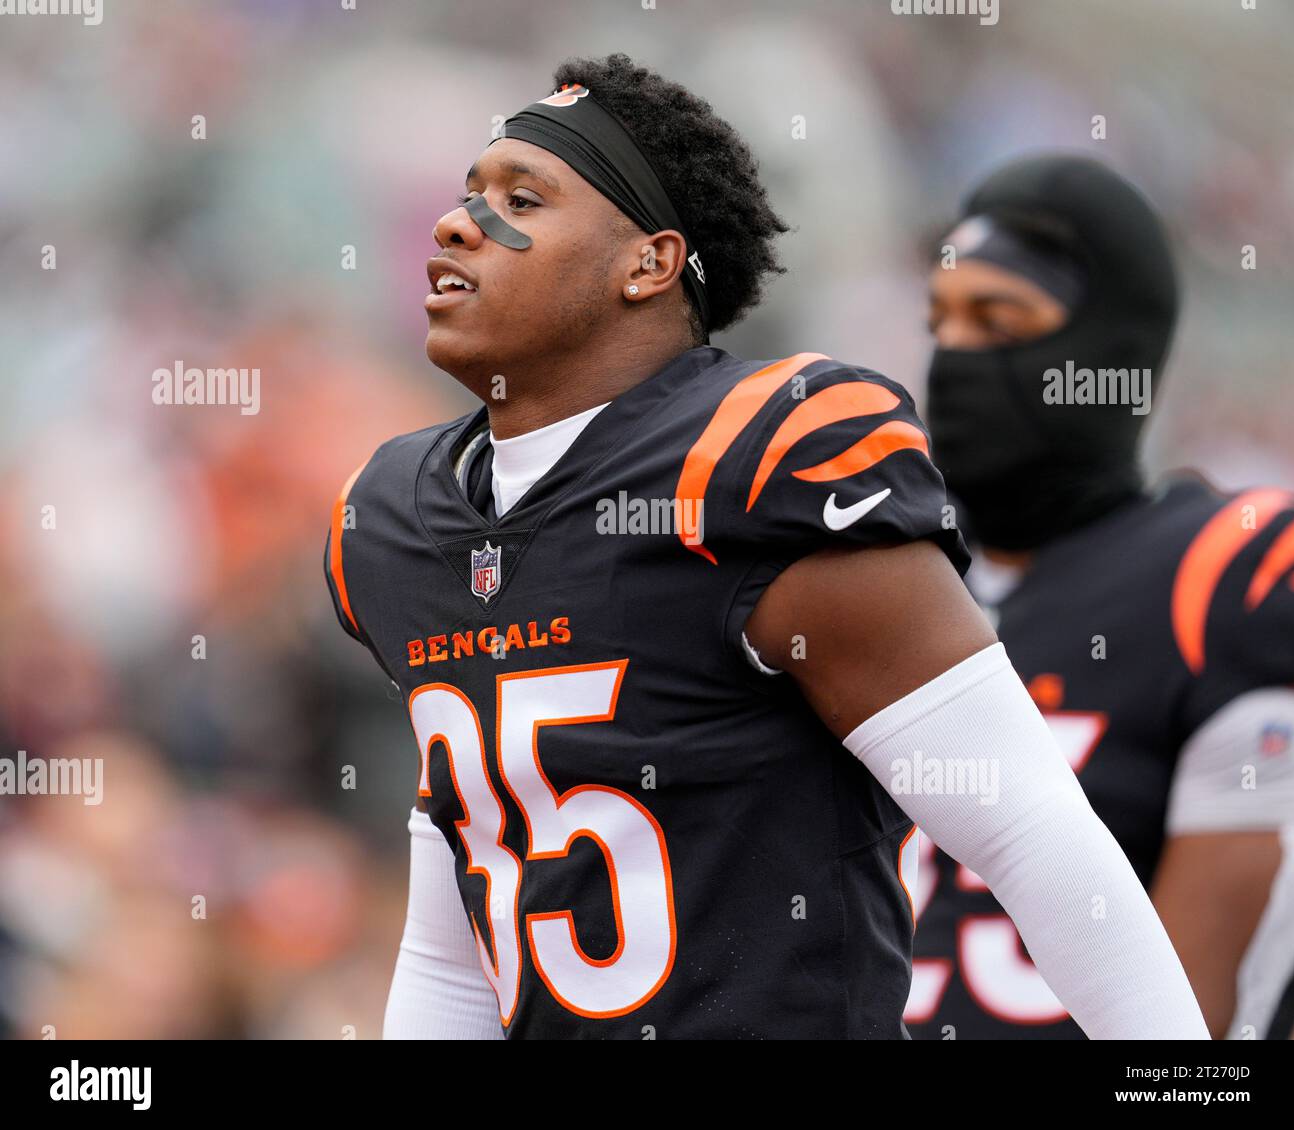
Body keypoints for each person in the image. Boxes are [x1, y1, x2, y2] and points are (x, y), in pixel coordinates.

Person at [324, 57, 1207, 1039]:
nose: (458, 226)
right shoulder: (403, 515)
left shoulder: (754, 462)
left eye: (521, 199)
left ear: (649, 263)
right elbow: (451, 949)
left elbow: (1029, 829)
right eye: (465, 196)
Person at [911, 152, 1294, 1040]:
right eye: (942, 321)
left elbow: (1202, 1031)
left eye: (999, 319)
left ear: (1110, 349)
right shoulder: (897, 578)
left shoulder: (1224, 577)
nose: (958, 354)